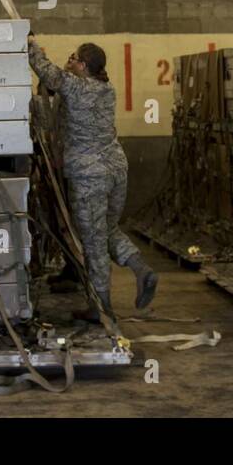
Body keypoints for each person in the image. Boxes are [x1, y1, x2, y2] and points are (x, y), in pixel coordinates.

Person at [26, 34, 157, 320]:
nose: (69, 62)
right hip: (115, 170)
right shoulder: (106, 89)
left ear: (84, 65)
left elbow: (49, 73)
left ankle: (101, 307)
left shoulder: (76, 87)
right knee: (107, 230)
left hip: (89, 177)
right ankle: (140, 268)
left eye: (73, 58)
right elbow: (52, 106)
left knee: (94, 242)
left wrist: (30, 45)